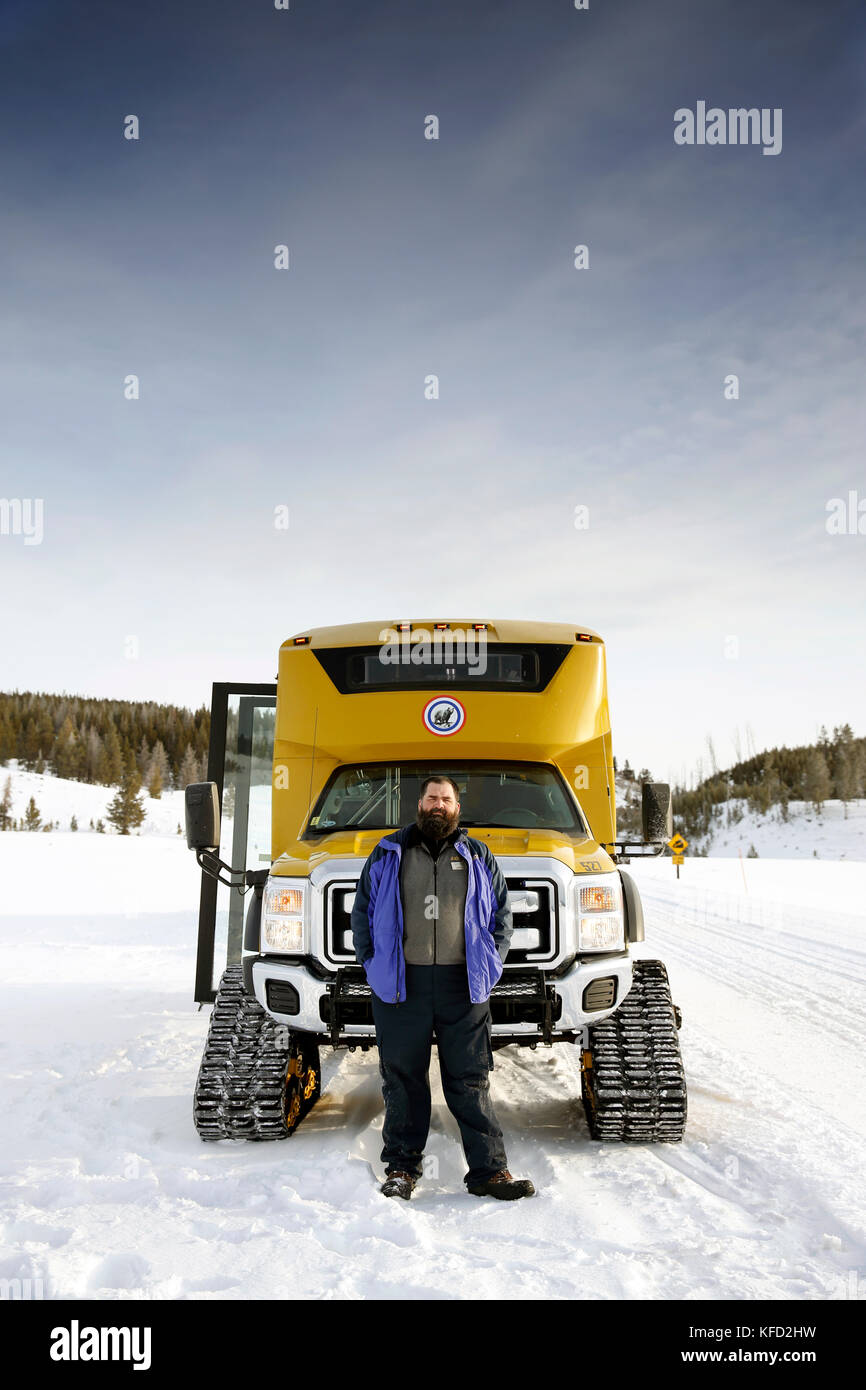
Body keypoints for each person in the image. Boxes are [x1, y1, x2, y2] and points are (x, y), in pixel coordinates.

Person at [351, 774, 536, 1201]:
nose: (438, 805)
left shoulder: (476, 854)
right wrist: (373, 964)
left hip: (462, 985)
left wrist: (489, 964)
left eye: (446, 799)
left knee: (469, 1080)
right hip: (401, 985)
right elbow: (361, 913)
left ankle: (489, 1172)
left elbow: (501, 918)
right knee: (403, 1080)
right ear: (419, 803)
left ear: (457, 807)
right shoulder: (388, 852)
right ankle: (401, 1170)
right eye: (432, 797)